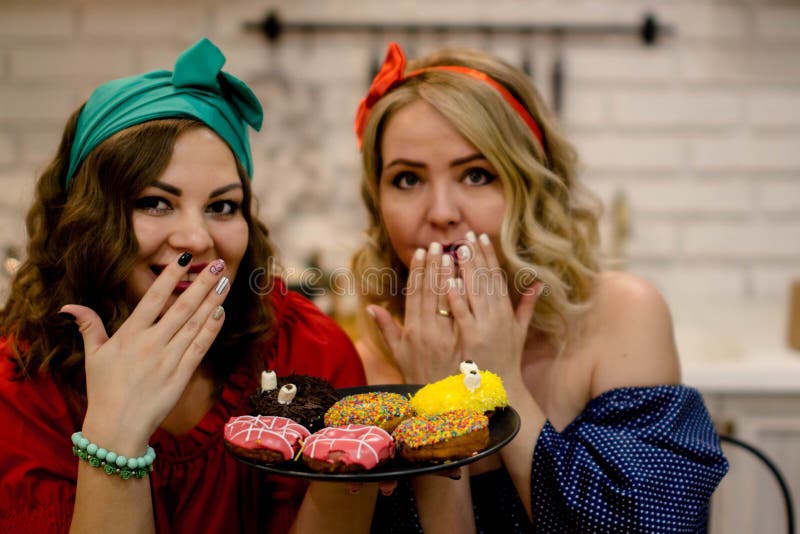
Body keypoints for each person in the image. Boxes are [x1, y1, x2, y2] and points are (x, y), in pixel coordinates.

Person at [0, 38, 377, 533]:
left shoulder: (308, 350)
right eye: (156, 203)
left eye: (222, 207)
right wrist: (115, 432)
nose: (197, 239)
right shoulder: (21, 386)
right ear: (88, 219)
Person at [350, 42, 729, 533]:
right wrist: (439, 419)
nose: (441, 212)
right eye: (407, 180)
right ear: (377, 203)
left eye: (477, 174)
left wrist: (502, 382)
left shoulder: (622, 316)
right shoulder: (362, 367)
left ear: (531, 187)